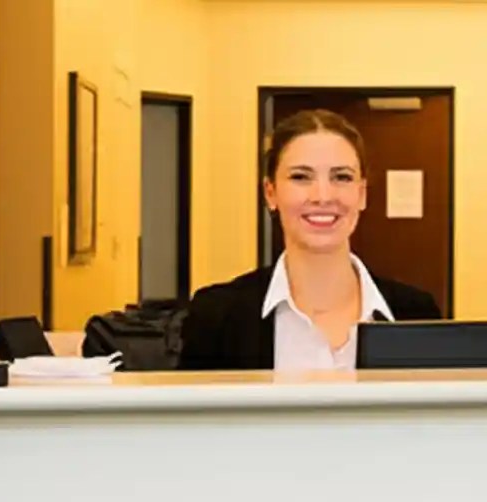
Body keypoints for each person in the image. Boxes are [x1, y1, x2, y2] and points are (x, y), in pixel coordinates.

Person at [177, 108, 441, 371]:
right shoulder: (216, 316)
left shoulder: (416, 313)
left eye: (342, 177)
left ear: (361, 194)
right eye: (301, 177)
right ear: (271, 193)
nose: (323, 196)